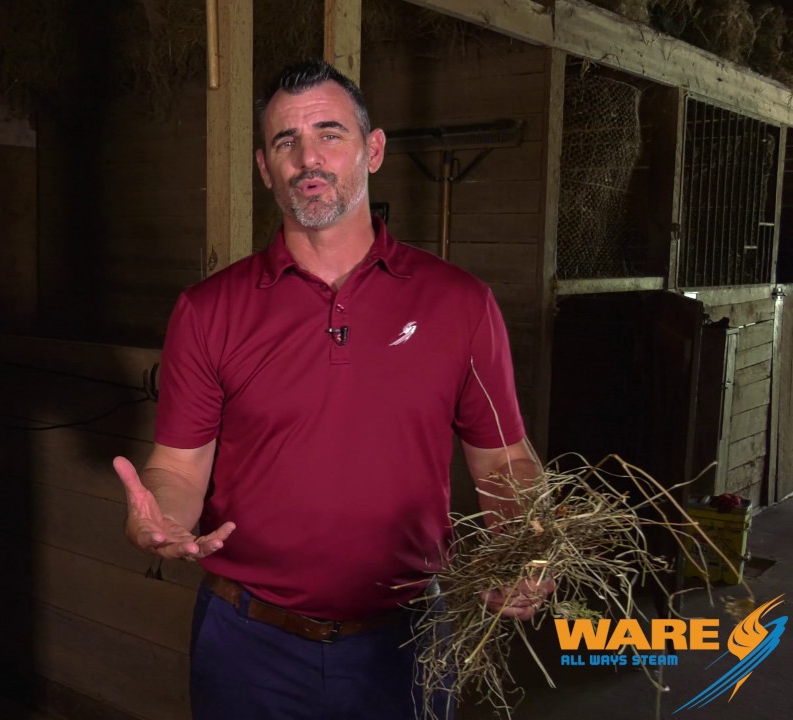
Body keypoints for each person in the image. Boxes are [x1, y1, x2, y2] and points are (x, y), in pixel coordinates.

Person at [113, 60, 552, 719]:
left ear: (372, 150)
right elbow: (177, 467)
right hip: (247, 640)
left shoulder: (459, 303)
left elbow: (506, 460)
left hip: (407, 637)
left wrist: (527, 540)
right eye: (285, 141)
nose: (307, 158)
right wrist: (163, 517)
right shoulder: (209, 310)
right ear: (264, 167)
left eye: (329, 133)